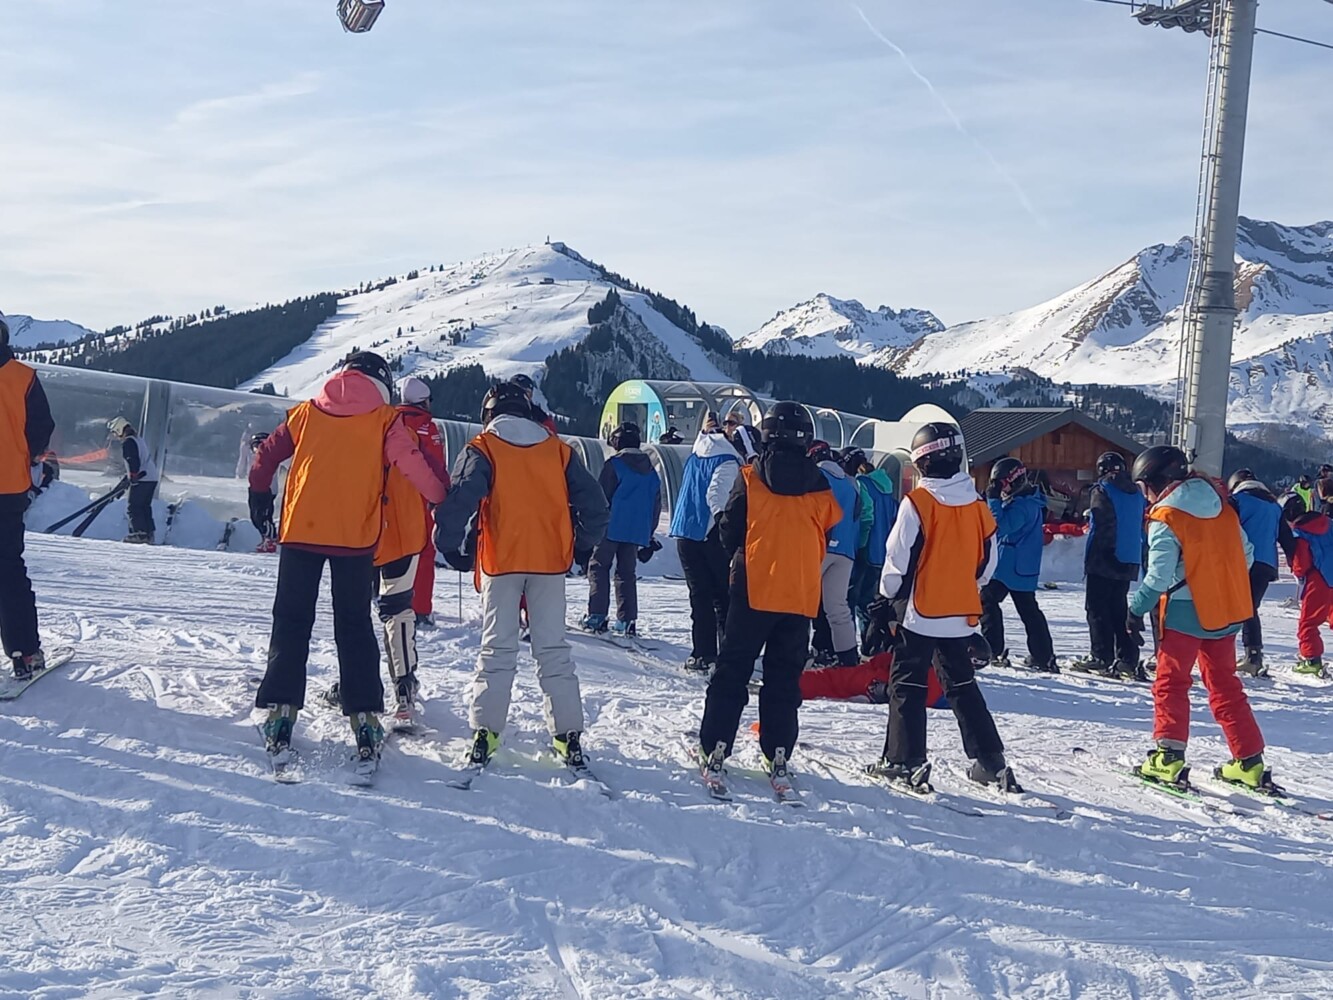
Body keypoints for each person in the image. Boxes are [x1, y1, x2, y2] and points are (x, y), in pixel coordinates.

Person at [248, 352, 448, 771]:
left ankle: (281, 711)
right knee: (354, 625)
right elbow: (412, 466)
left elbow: (266, 456)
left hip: (302, 531)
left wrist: (259, 495)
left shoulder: (306, 413)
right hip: (355, 539)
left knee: (291, 618)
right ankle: (365, 718)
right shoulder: (384, 420)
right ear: (383, 385)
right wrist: (445, 501)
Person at [434, 381, 609, 772]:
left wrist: (448, 544)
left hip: (502, 562)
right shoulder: (559, 451)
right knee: (553, 651)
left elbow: (461, 497)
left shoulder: (483, 447)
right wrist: (579, 547)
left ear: (489, 412)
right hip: (550, 563)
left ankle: (486, 731)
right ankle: (567, 734)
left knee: (497, 651)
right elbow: (595, 506)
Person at [864, 421, 1019, 792]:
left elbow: (897, 558)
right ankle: (990, 761)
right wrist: (967, 586)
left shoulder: (918, 502)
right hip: (960, 612)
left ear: (921, 463)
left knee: (908, 685)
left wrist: (886, 599)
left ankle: (904, 760)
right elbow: (988, 563)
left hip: (921, 611)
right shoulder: (978, 506)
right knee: (963, 685)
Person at [697, 402, 840, 791]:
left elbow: (729, 529)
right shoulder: (821, 484)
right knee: (784, 676)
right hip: (799, 590)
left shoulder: (751, 476)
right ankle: (777, 749)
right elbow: (827, 529)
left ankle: (716, 744)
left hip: (753, 586)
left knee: (734, 668)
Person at [1128, 445, 1275, 792]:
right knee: (1225, 686)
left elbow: (1159, 575)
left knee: (1171, 683)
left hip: (1183, 614)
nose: (1144, 495)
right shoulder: (1222, 508)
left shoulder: (1167, 516)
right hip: (1225, 612)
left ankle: (1168, 758)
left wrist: (1134, 610)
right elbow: (1248, 555)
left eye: (1143, 486)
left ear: (1157, 482)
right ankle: (1249, 761)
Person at [0, 311, 55, 681]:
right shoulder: (22, 377)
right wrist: (29, 457)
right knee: (8, 571)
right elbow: (41, 428)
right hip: (7, 487)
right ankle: (25, 654)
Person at [668, 411, 741, 672]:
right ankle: (727, 655)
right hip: (710, 532)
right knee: (723, 597)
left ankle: (702, 652)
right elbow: (717, 495)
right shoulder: (729, 459)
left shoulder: (696, 452)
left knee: (699, 596)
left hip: (684, 530)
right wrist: (725, 525)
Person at [1070, 452, 1147, 680]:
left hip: (1105, 557)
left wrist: (1104, 552)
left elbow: (1103, 522)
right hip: (1129, 557)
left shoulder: (1103, 489)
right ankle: (1128, 657)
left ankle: (1101, 655)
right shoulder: (1136, 493)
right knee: (1118, 609)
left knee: (1096, 609)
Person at [583, 421, 662, 637]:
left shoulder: (614, 465)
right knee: (626, 573)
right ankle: (626, 619)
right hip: (636, 531)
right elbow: (655, 505)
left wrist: (592, 523)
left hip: (611, 527)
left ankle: (597, 616)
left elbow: (601, 497)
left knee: (599, 567)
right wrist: (649, 532)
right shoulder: (651, 471)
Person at [980, 457, 1056, 673]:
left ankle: (994, 649)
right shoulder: (1024, 500)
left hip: (1013, 568)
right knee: (1027, 611)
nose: (1001, 489)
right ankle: (1043, 655)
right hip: (1016, 566)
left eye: (1003, 484)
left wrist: (993, 500)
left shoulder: (1024, 505)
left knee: (990, 602)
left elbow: (1000, 526)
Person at [1229, 469, 1292, 678]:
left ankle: (1234, 654)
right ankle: (1253, 655)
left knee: (1232, 607)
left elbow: (1224, 528)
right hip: (1267, 564)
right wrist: (1294, 561)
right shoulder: (1274, 506)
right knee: (1249, 607)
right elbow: (1285, 537)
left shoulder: (1237, 500)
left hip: (1242, 561)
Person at [396, 377, 447, 629]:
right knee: (424, 552)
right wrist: (444, 494)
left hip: (391, 498)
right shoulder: (427, 427)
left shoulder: (389, 421)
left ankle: (392, 602)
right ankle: (420, 609)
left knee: (393, 549)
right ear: (424, 401)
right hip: (420, 498)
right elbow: (436, 465)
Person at [808, 441, 862, 667]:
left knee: (801, 604)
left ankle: (795, 655)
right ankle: (848, 658)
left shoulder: (816, 476)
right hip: (846, 551)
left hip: (820, 546)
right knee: (837, 608)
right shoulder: (851, 484)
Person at [848, 449, 898, 653]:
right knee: (873, 601)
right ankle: (874, 644)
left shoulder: (862, 484)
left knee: (855, 600)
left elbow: (866, 515)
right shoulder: (887, 489)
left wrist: (860, 544)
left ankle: (856, 645)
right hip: (883, 551)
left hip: (867, 548)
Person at [1281, 492, 1333, 678]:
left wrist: (1298, 573)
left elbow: (1301, 563)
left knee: (1308, 622)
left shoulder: (1300, 532)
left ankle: (1311, 660)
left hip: (1318, 579)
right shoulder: (1327, 521)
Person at [107, 417, 159, 544]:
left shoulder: (128, 442)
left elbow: (132, 460)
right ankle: (148, 534)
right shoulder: (137, 439)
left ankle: (139, 534)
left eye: (114, 432)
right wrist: (129, 476)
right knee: (144, 506)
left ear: (119, 429)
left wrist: (133, 476)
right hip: (151, 477)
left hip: (143, 477)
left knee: (133, 507)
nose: (115, 435)